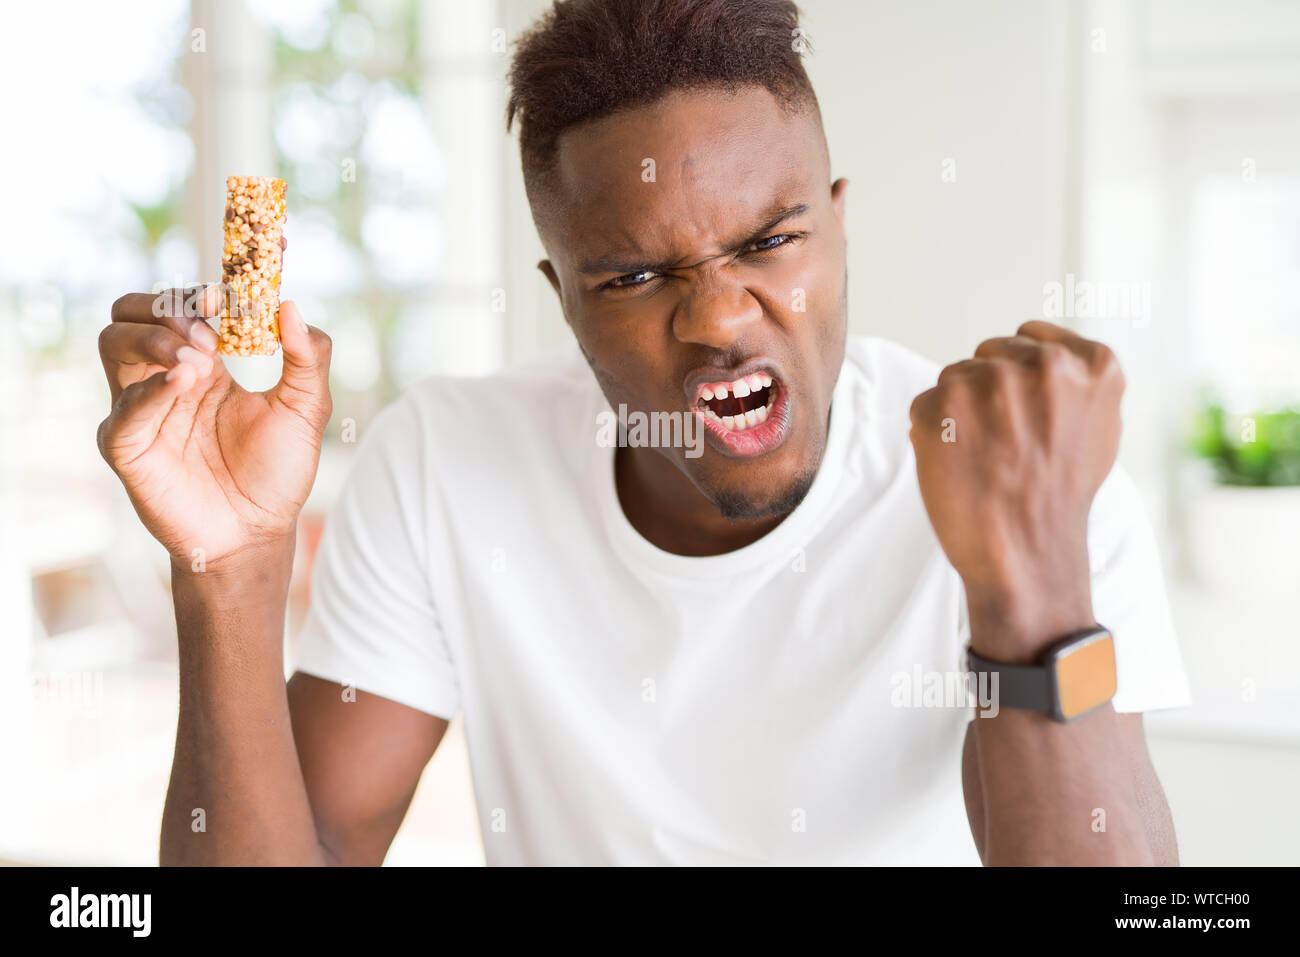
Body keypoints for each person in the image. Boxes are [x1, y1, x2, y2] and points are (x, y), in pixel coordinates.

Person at [97, 0, 1188, 866]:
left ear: (839, 227)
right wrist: (227, 571)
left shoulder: (1033, 481)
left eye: (770, 239)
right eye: (630, 275)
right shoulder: (446, 462)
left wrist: (1031, 593)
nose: (717, 317)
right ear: (561, 296)